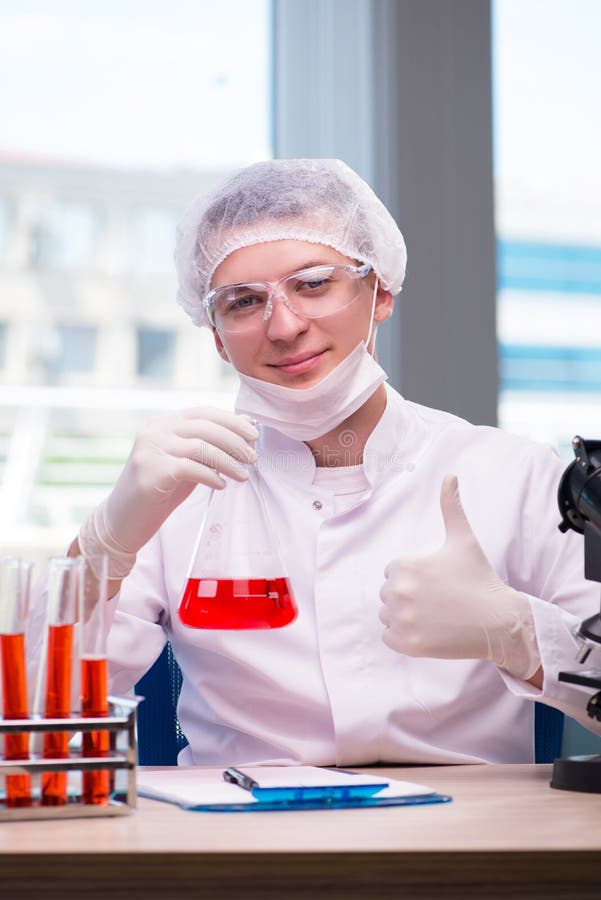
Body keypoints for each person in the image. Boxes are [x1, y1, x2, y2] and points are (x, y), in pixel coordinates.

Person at [66, 159, 601, 765]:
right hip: (237, 819)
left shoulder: (516, 478)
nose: (284, 326)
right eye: (243, 302)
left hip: (467, 823)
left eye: (314, 283)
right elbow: (40, 714)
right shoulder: (176, 495)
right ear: (216, 335)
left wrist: (520, 634)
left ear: (381, 292)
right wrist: (105, 545)